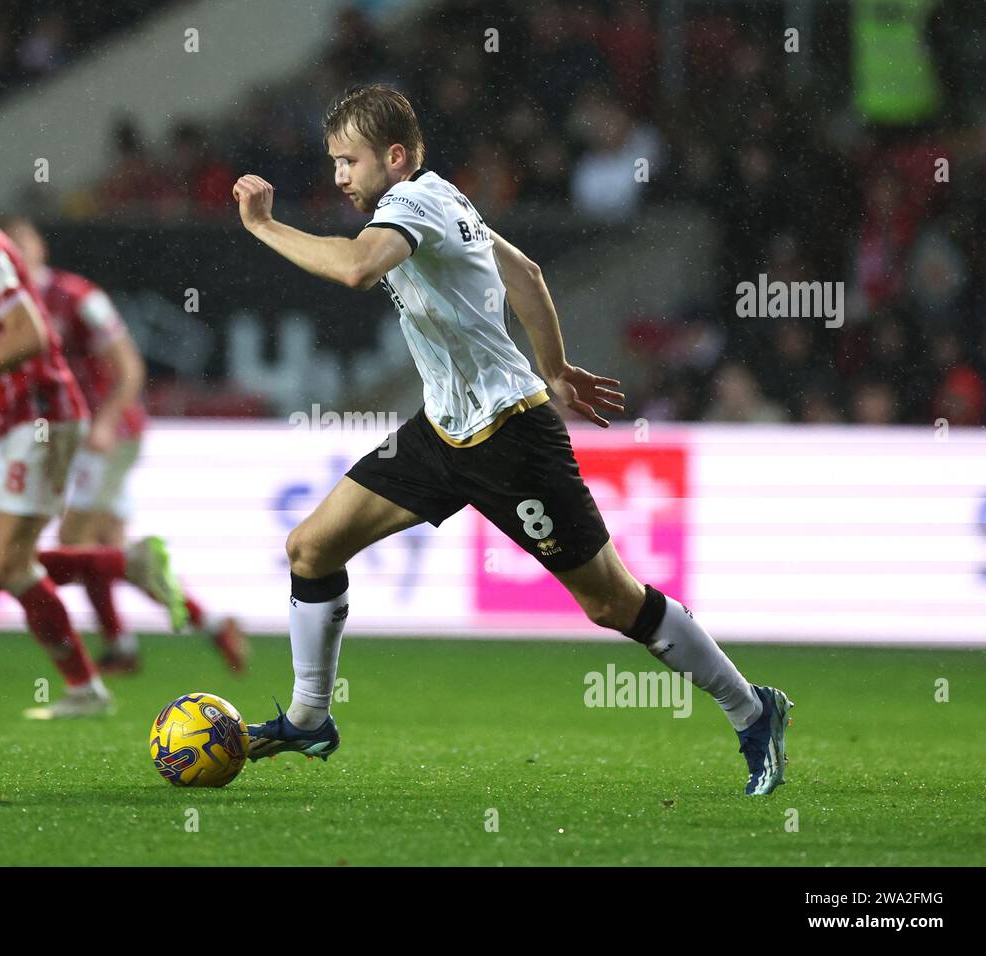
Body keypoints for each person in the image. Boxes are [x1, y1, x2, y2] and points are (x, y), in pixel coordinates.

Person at [231, 85, 792, 795]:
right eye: (335, 162)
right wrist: (555, 368)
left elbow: (354, 268)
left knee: (611, 603)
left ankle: (752, 709)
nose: (339, 176)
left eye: (349, 161)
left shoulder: (409, 205)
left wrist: (263, 227)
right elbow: (525, 274)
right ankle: (312, 716)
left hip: (510, 440)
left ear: (395, 157)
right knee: (310, 547)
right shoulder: (446, 199)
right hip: (443, 432)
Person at [0, 145, 187, 719]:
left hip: (44, 417)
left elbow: (31, 337)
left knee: (8, 559)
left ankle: (86, 685)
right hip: (6, 422)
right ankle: (127, 569)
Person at [0, 215, 247, 674]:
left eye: (21, 243)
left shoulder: (78, 299)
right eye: (4, 247)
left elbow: (130, 367)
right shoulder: (9, 311)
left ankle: (122, 640)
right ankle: (202, 627)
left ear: (39, 249)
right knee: (107, 550)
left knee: (73, 543)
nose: (13, 253)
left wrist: (106, 422)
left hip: (111, 435)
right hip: (69, 437)